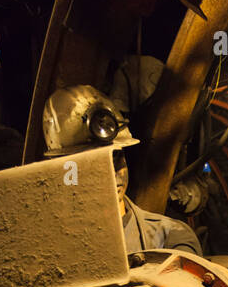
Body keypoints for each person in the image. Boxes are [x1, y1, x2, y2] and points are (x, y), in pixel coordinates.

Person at [42, 84, 202, 260]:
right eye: (97, 162)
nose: (114, 172)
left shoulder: (170, 238)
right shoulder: (47, 247)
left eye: (117, 157)